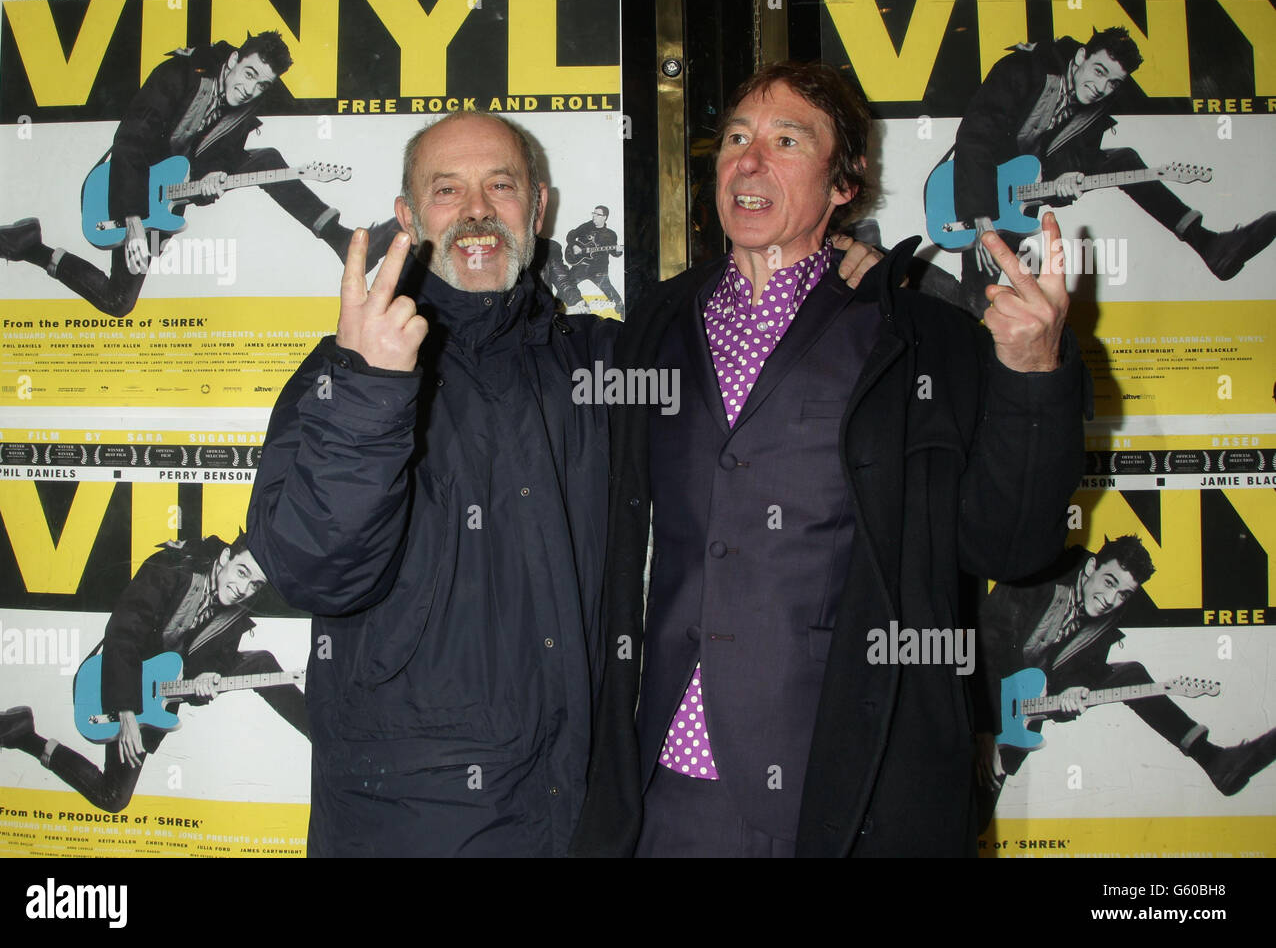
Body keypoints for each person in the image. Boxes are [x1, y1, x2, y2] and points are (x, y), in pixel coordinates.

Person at [245, 108, 882, 858]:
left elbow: (738, 368)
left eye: (501, 185)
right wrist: (367, 390)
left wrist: (826, 267)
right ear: (408, 218)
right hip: (408, 825)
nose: (478, 211)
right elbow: (312, 571)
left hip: (574, 814)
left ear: (539, 209)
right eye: (447, 191)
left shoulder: (603, 365)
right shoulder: (346, 371)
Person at [571, 61, 1086, 858]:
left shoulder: (917, 335)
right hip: (668, 791)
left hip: (848, 796)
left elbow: (1010, 547)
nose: (749, 160)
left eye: (786, 140)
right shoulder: (656, 324)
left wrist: (1033, 373)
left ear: (845, 182)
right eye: (737, 137)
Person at [0, 30, 398, 317]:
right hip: (126, 186)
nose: (250, 89)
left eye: (262, 85)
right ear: (234, 60)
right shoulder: (179, 75)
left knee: (268, 157)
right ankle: (29, 246)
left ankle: (341, 240)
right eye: (249, 74)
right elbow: (130, 141)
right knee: (118, 302)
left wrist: (210, 182)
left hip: (176, 187)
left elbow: (216, 161)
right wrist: (134, 223)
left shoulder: (244, 110)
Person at [950, 26, 1276, 313]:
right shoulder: (1024, 70)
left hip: (1026, 193)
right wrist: (982, 218)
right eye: (1099, 70)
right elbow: (975, 139)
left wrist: (1065, 182)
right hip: (975, 189)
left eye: (1113, 82)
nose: (1101, 86)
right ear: (1080, 57)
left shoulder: (1096, 110)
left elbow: (1071, 163)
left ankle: (1207, 243)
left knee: (1122, 160)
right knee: (978, 299)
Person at [0, 533, 306, 812]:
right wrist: (125, 712)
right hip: (118, 677)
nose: (243, 589)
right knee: (112, 797)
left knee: (262, 663)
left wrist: (206, 681)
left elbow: (207, 666)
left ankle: (324, 735)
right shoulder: (171, 569)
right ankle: (24, 736)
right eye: (241, 572)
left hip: (164, 690)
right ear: (225, 558)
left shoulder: (236, 614)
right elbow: (123, 633)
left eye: (255, 585)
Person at [974, 535, 1276, 829]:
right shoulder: (1041, 574)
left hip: (1020, 721)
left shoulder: (1109, 616)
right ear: (1092, 567)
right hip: (974, 704)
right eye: (1109, 582)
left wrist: (1073, 693)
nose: (1110, 600)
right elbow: (987, 643)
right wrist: (988, 728)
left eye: (1123, 594)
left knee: (974, 824)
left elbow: (1077, 673)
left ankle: (1212, 758)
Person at [562, 204, 625, 314]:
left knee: (612, 294)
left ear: (604, 217)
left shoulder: (610, 234)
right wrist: (574, 245)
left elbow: (614, 252)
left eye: (597, 214)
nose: (594, 217)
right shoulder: (587, 226)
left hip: (599, 269)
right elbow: (571, 235)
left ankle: (624, 315)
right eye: (593, 214)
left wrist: (619, 250)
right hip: (581, 266)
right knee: (565, 287)